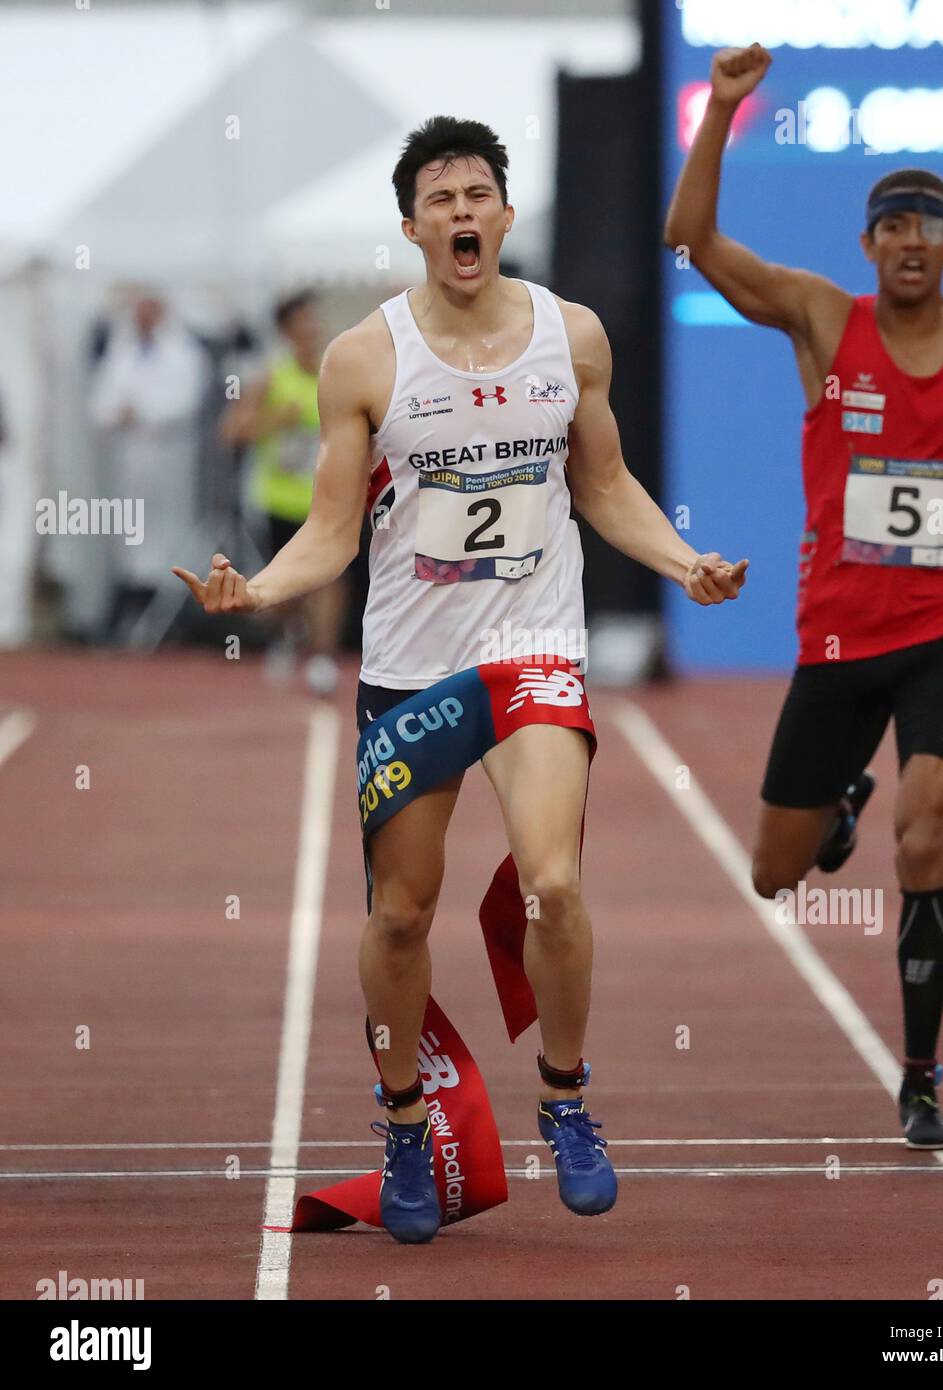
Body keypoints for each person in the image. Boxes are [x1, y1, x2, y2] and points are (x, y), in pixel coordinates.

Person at [176, 115, 748, 1242]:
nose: (462, 214)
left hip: (533, 648)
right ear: (411, 226)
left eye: (477, 193)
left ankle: (566, 1098)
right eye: (439, 200)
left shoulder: (569, 338)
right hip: (411, 666)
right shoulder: (364, 357)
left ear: (504, 212)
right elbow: (334, 531)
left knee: (556, 883)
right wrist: (260, 592)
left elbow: (606, 482)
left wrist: (686, 562)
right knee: (400, 918)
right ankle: (402, 1127)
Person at [665, 44, 943, 1149]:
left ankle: (922, 1077)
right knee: (770, 871)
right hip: (837, 638)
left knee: (924, 838)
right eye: (888, 224)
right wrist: (722, 115)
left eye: (925, 225)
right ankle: (835, 800)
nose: (906, 241)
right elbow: (688, 242)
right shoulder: (820, 321)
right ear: (866, 246)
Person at [222, 292, 347, 696]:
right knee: (288, 591)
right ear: (287, 330)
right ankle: (284, 632)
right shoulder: (272, 376)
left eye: (315, 320)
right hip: (279, 500)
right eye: (302, 322)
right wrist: (275, 420)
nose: (312, 329)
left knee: (330, 576)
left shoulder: (339, 373)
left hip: (326, 499)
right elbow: (232, 431)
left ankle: (324, 658)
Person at [89, 291, 207, 643]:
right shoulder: (121, 352)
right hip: (130, 458)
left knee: (166, 533)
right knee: (130, 534)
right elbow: (99, 403)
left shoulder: (185, 354)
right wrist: (119, 413)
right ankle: (130, 608)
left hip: (169, 457)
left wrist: (142, 412)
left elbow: (186, 402)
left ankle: (164, 614)